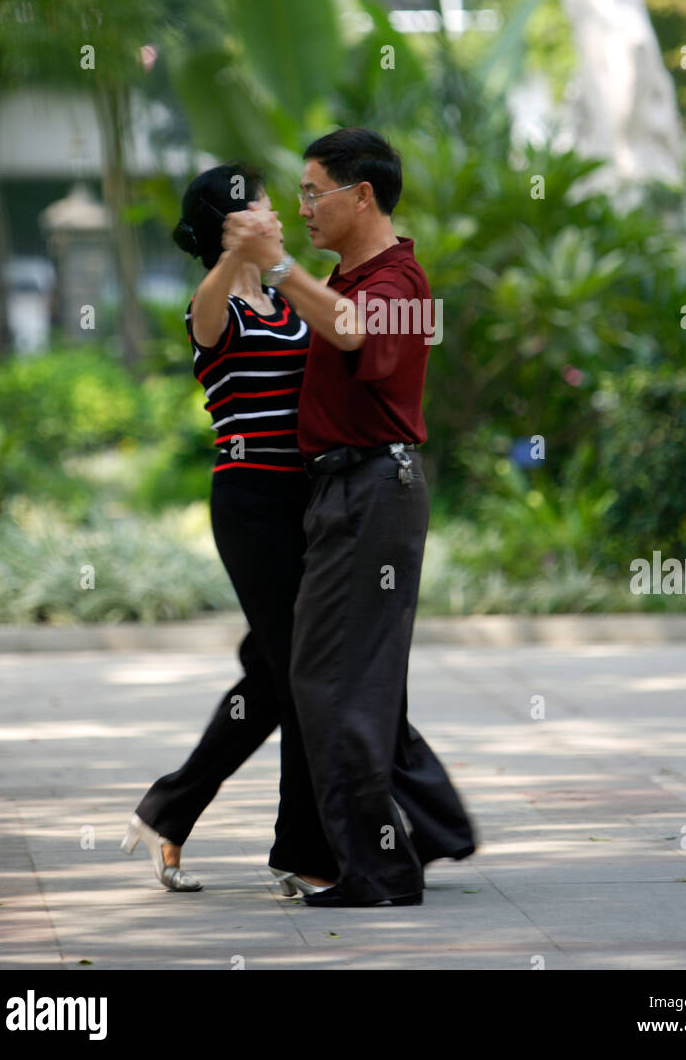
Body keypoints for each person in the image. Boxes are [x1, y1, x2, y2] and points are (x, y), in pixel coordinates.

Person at [222, 127, 476, 907]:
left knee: (333, 681)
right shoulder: (351, 274)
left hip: (373, 491)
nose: (301, 207)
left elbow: (352, 330)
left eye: (312, 191)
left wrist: (277, 264)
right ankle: (423, 831)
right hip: (342, 493)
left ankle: (377, 869)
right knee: (340, 676)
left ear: (361, 194)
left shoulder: (398, 282)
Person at [121, 163, 337, 896]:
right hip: (250, 504)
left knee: (277, 677)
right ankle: (304, 855)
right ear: (232, 223)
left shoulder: (286, 299)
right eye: (267, 208)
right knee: (295, 678)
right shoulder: (215, 308)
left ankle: (170, 813)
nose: (284, 214)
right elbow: (206, 313)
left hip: (308, 501)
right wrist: (232, 258)